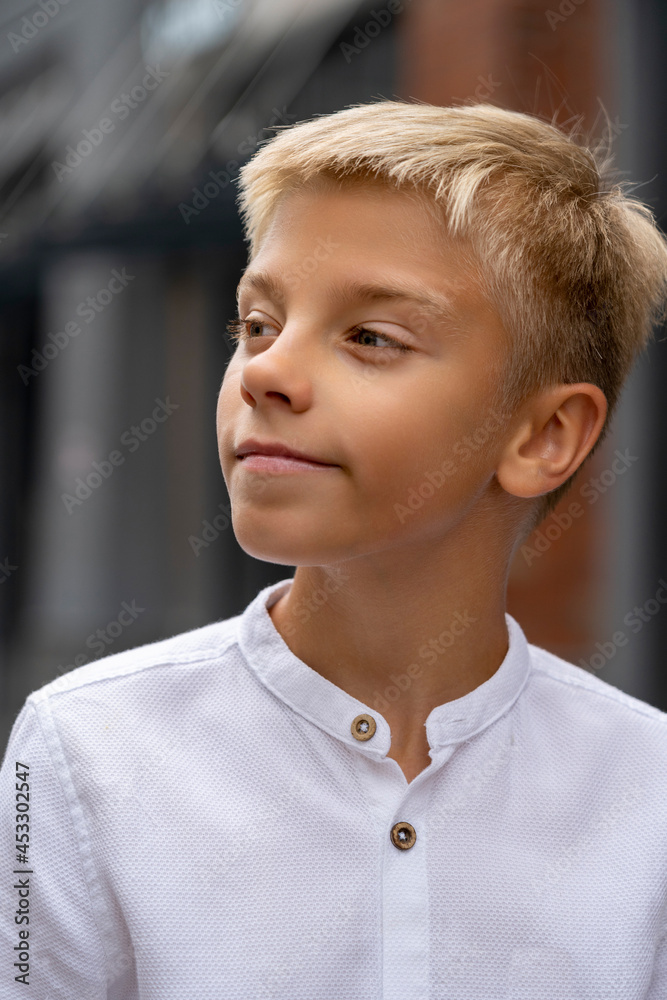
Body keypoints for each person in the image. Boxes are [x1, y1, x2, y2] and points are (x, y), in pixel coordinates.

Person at [2, 99, 667, 998]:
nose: (266, 371)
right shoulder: (84, 753)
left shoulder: (646, 795)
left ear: (543, 435)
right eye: (256, 323)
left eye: (369, 337)